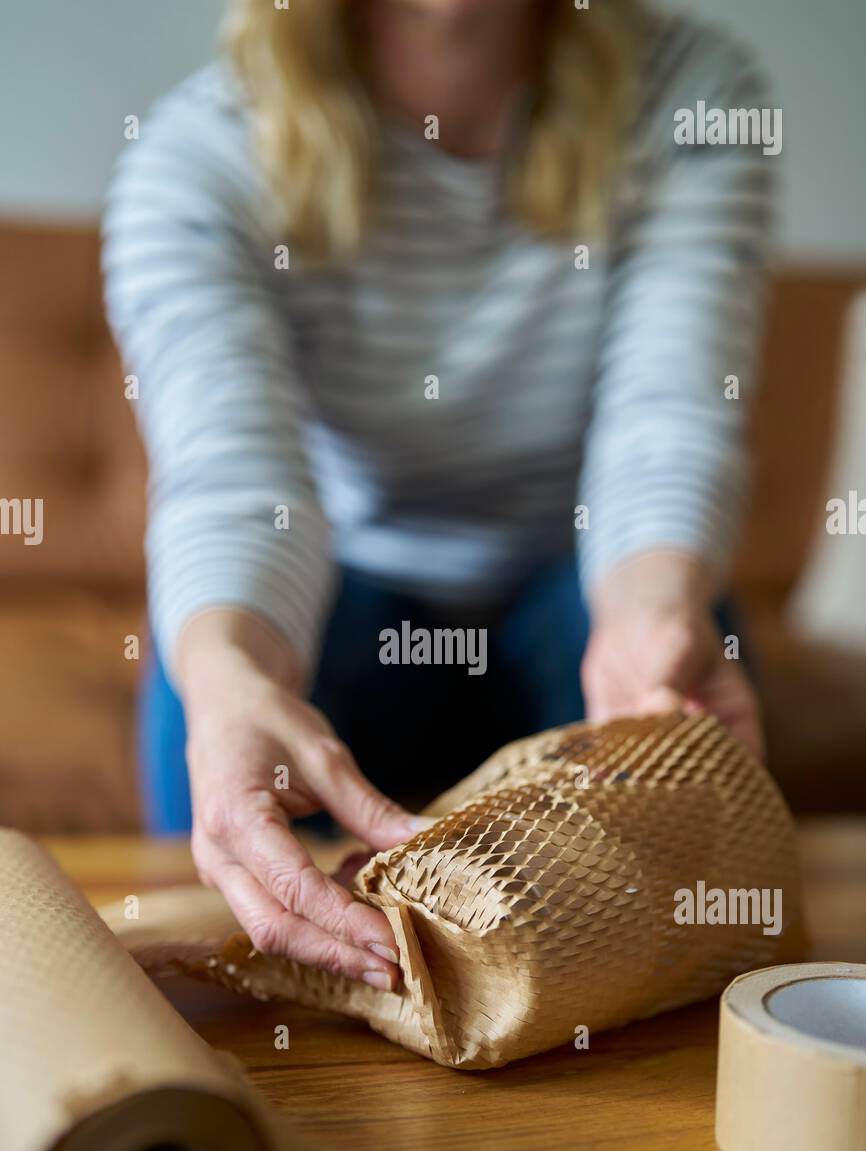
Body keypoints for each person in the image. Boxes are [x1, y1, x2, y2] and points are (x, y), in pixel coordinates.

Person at [103, 0, 774, 993]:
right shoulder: (195, 154)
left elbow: (666, 417)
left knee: (680, 916)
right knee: (207, 697)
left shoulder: (693, 90)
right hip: (339, 600)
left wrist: (654, 613)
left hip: (586, 587)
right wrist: (230, 673)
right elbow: (236, 478)